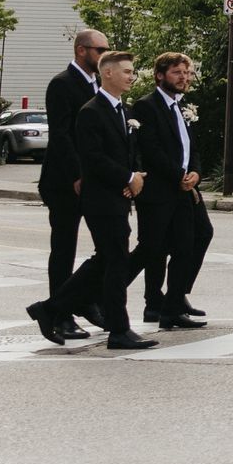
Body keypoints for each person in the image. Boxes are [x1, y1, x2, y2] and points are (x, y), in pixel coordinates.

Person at [25, 27, 106, 346]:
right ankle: (61, 314)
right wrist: (77, 175)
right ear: (81, 51)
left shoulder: (99, 84)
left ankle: (83, 299)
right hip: (63, 182)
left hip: (95, 180)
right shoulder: (62, 84)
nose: (104, 55)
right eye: (100, 50)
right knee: (64, 248)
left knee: (107, 245)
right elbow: (60, 135)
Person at [73, 50, 156, 351]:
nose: (131, 76)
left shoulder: (125, 110)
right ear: (107, 73)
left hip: (118, 197)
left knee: (112, 262)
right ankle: (118, 330)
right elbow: (94, 159)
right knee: (116, 263)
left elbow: (130, 151)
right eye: (126, 71)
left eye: (132, 71)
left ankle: (53, 308)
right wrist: (126, 178)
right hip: (100, 201)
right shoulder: (91, 111)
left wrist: (134, 177)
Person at [133, 52, 212, 331]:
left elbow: (191, 147)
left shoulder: (183, 106)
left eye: (187, 73)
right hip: (160, 188)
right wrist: (179, 176)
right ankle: (157, 303)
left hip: (185, 186)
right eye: (178, 72)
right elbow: (150, 150)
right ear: (160, 75)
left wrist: (196, 173)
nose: (184, 78)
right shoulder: (146, 106)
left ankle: (175, 298)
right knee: (156, 248)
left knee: (197, 237)